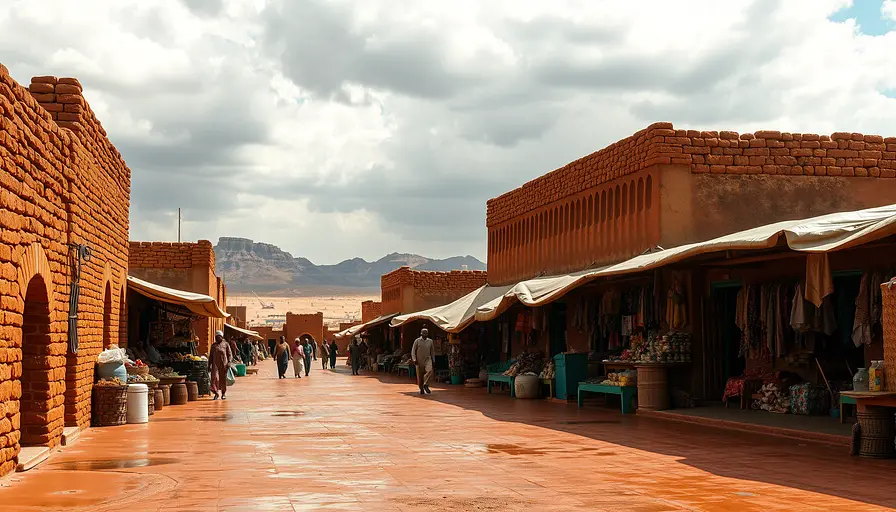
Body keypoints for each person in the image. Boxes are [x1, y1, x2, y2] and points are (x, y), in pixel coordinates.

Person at [208, 330, 233, 400]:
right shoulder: (213, 345)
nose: (217, 338)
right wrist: (209, 365)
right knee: (214, 379)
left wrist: (229, 362)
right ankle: (216, 393)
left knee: (223, 380)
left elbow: (230, 354)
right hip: (215, 364)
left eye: (218, 337)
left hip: (223, 364)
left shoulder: (226, 344)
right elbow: (211, 356)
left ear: (221, 337)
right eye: (216, 337)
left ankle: (223, 393)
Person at [412, 328, 435, 395]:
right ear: (421, 333)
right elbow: (413, 351)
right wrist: (414, 359)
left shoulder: (430, 341)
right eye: (423, 333)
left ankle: (426, 384)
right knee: (420, 376)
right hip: (419, 360)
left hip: (428, 359)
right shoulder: (417, 341)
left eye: (426, 333)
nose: (425, 334)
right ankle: (421, 388)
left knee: (430, 370)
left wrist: (433, 360)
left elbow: (432, 352)